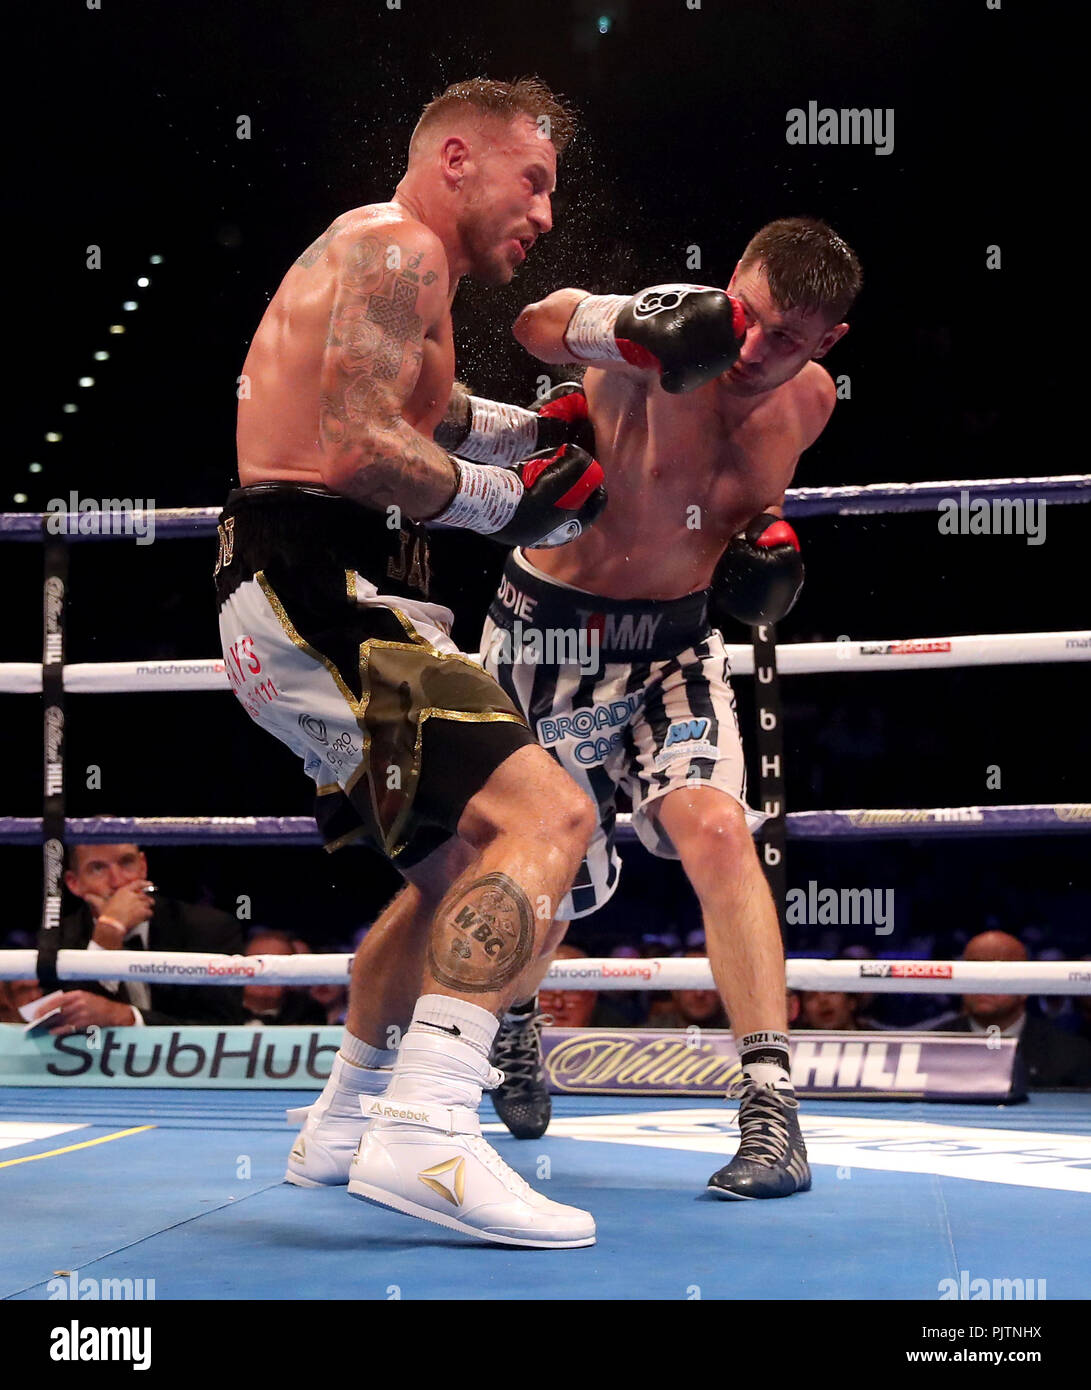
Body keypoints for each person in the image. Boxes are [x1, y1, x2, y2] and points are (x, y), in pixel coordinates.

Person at [218, 78, 607, 1247]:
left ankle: (342, 1121)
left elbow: (423, 412)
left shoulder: (394, 268)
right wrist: (509, 507)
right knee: (553, 816)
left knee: (449, 881)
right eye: (531, 180)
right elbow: (355, 441)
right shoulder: (400, 248)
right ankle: (428, 1130)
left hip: (298, 597)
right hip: (321, 588)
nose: (543, 213)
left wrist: (539, 433)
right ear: (453, 156)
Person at [476, 217, 860, 1198]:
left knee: (719, 831)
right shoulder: (659, 343)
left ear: (826, 347)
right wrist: (622, 319)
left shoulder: (807, 405)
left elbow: (731, 505)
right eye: (751, 316)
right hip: (547, 637)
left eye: (787, 338)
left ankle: (772, 1113)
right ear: (730, 278)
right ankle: (515, 1022)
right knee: (540, 875)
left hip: (674, 648)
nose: (754, 348)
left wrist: (759, 541)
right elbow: (534, 323)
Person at [46, 843, 245, 1031]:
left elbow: (223, 1025)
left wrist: (129, 1018)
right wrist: (105, 939)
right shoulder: (56, 939)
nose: (118, 881)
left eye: (126, 862)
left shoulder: (209, 929)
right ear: (74, 883)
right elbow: (61, 1022)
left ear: (143, 866)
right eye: (98, 868)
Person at [934, 930, 1091, 1089]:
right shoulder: (931, 1050)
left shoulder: (1072, 1055)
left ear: (1025, 984)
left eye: (998, 972)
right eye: (975, 969)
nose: (984, 981)